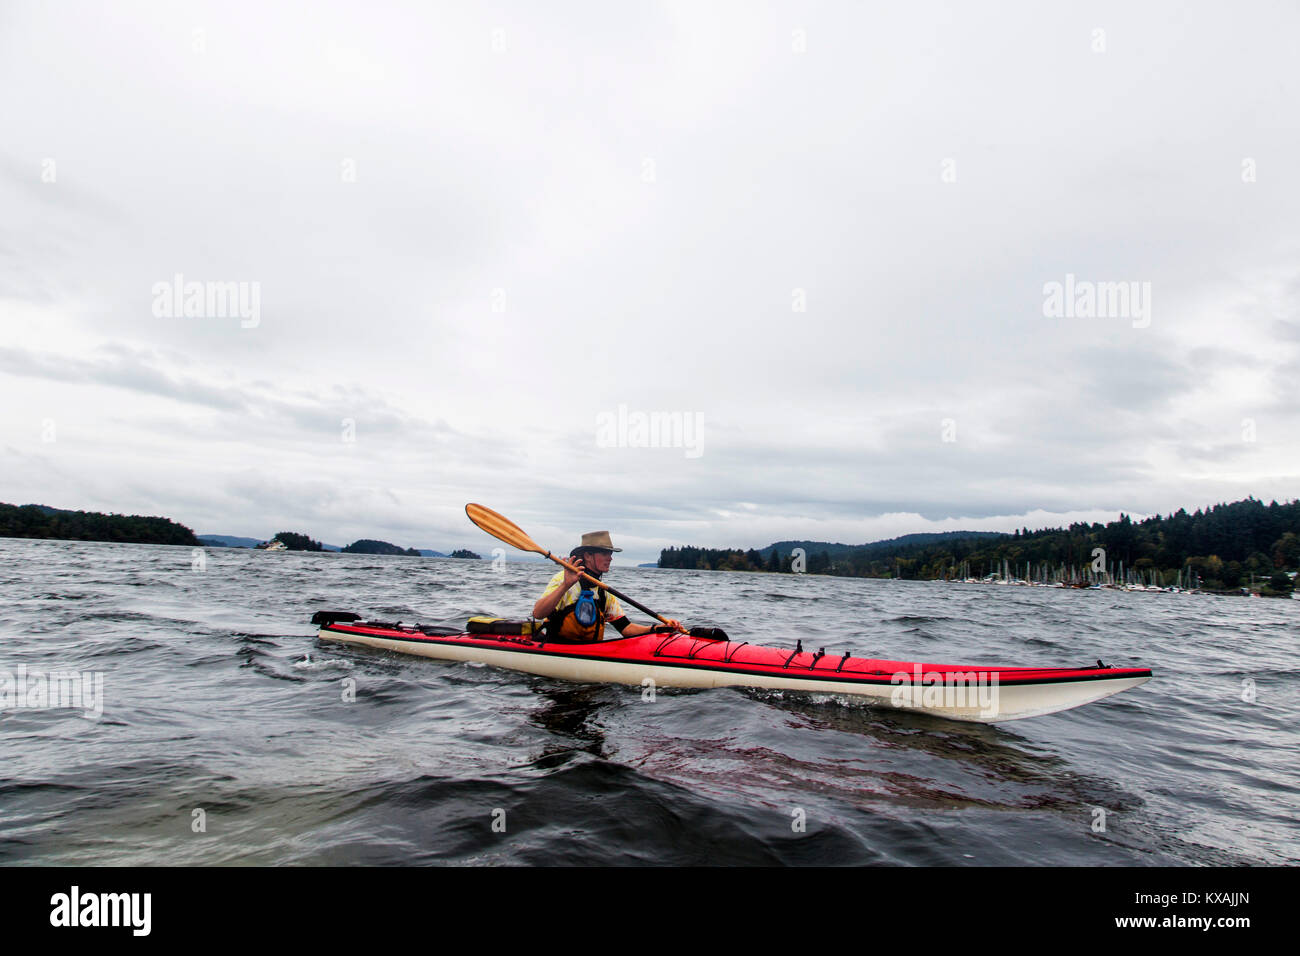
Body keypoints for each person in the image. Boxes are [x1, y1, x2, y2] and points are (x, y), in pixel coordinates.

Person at [532, 531, 684, 642]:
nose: (610, 558)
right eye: (605, 553)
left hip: (590, 651)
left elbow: (625, 628)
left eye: (610, 554)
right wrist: (565, 585)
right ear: (588, 556)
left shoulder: (603, 591)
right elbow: (538, 613)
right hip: (557, 648)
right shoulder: (563, 580)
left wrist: (655, 629)